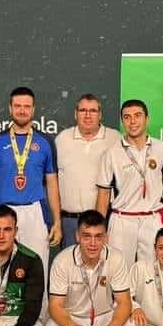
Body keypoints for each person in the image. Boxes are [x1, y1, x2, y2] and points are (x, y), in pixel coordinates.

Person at [46, 210, 141, 326]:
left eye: (98, 237)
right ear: (77, 236)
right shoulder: (62, 260)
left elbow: (123, 302)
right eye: (86, 236)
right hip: (73, 317)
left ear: (106, 237)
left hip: (105, 316)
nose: (92, 243)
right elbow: (54, 306)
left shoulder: (116, 258)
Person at [0, 87, 62, 268]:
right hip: (3, 212)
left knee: (38, 268)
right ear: (10, 108)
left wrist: (57, 222)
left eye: (27, 106)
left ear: (33, 109)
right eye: (17, 106)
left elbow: (52, 184)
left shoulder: (45, 142)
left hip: (35, 213)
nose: (22, 110)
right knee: (2, 269)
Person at [95, 99, 163, 266]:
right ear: (122, 121)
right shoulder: (111, 153)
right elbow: (103, 194)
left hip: (152, 219)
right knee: (119, 269)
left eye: (138, 115)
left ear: (147, 119)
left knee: (153, 271)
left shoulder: (162, 148)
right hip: (122, 219)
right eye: (127, 117)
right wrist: (99, 230)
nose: (132, 121)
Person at [55, 93, 119, 248]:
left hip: (103, 220)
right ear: (75, 114)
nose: (88, 115)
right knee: (69, 262)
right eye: (83, 110)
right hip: (69, 222)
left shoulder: (115, 138)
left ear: (100, 115)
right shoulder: (62, 139)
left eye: (93, 111)